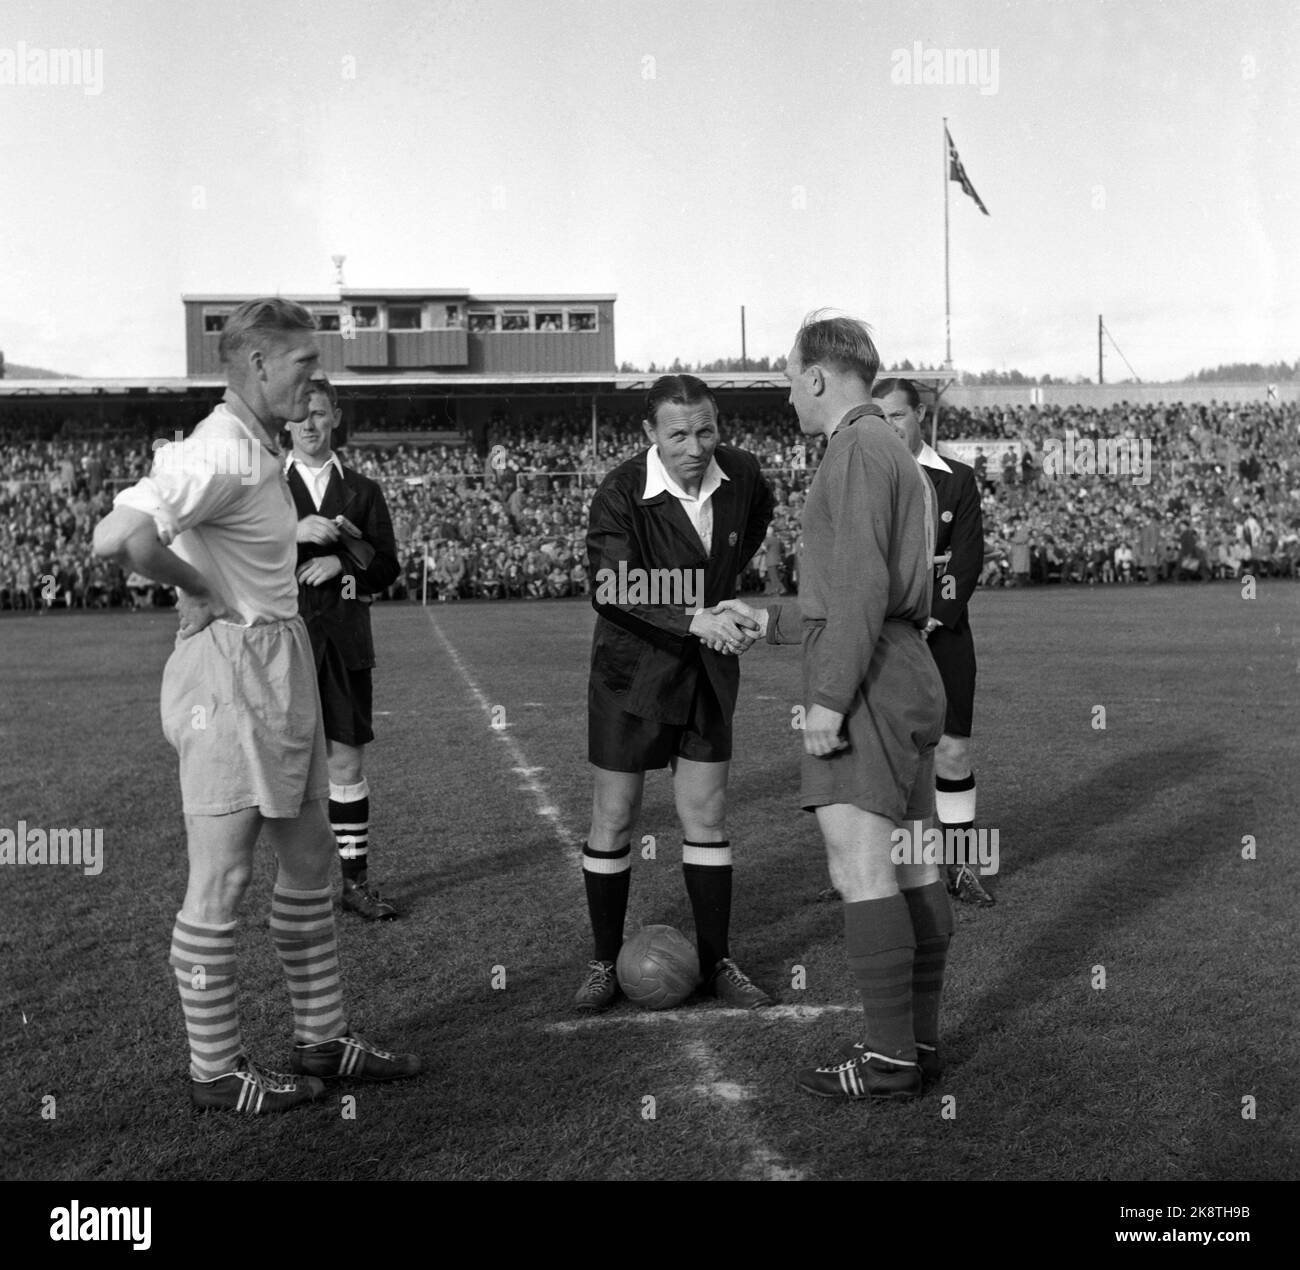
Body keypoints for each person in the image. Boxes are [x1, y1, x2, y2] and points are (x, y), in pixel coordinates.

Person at [92, 298, 418, 1114]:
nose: (315, 377)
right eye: (304, 362)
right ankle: (214, 1070)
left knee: (311, 865)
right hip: (231, 679)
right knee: (223, 878)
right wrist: (197, 587)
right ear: (259, 366)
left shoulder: (253, 450)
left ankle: (321, 1038)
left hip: (280, 665)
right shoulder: (220, 450)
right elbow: (117, 538)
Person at [722, 313, 950, 1102]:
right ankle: (915, 1041)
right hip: (909, 665)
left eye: (789, 378)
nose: (788, 395)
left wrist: (826, 700)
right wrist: (770, 619)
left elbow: (856, 590)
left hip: (871, 681)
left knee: (860, 867)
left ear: (817, 376)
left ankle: (889, 1058)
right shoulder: (897, 450)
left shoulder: (853, 448)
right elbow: (862, 590)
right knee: (916, 862)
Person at [576, 373, 776, 1012]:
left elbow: (759, 519)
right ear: (650, 434)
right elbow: (612, 585)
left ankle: (719, 962)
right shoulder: (619, 491)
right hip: (631, 675)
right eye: (678, 434)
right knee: (614, 817)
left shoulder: (742, 475)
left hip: (708, 671)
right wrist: (697, 614)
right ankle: (604, 964)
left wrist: (724, 587)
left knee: (708, 815)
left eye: (706, 430)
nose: (695, 447)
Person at [872, 377, 993, 906]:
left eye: (896, 416)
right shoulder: (867, 477)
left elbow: (965, 562)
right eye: (878, 419)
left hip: (943, 635)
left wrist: (931, 616)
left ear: (919, 415)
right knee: (889, 758)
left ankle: (962, 867)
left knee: (952, 750)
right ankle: (888, 871)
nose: (888, 427)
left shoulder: (958, 480)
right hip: (881, 636)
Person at [285, 376, 402, 921]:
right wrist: (295, 532)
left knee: (345, 761)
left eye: (319, 413)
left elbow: (387, 565)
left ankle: (355, 883)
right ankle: (298, 887)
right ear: (285, 420)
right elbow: (239, 555)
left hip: (346, 639)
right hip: (280, 645)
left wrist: (342, 562)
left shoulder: (363, 490)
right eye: (300, 414)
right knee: (283, 767)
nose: (310, 424)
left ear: (335, 416)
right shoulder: (263, 488)